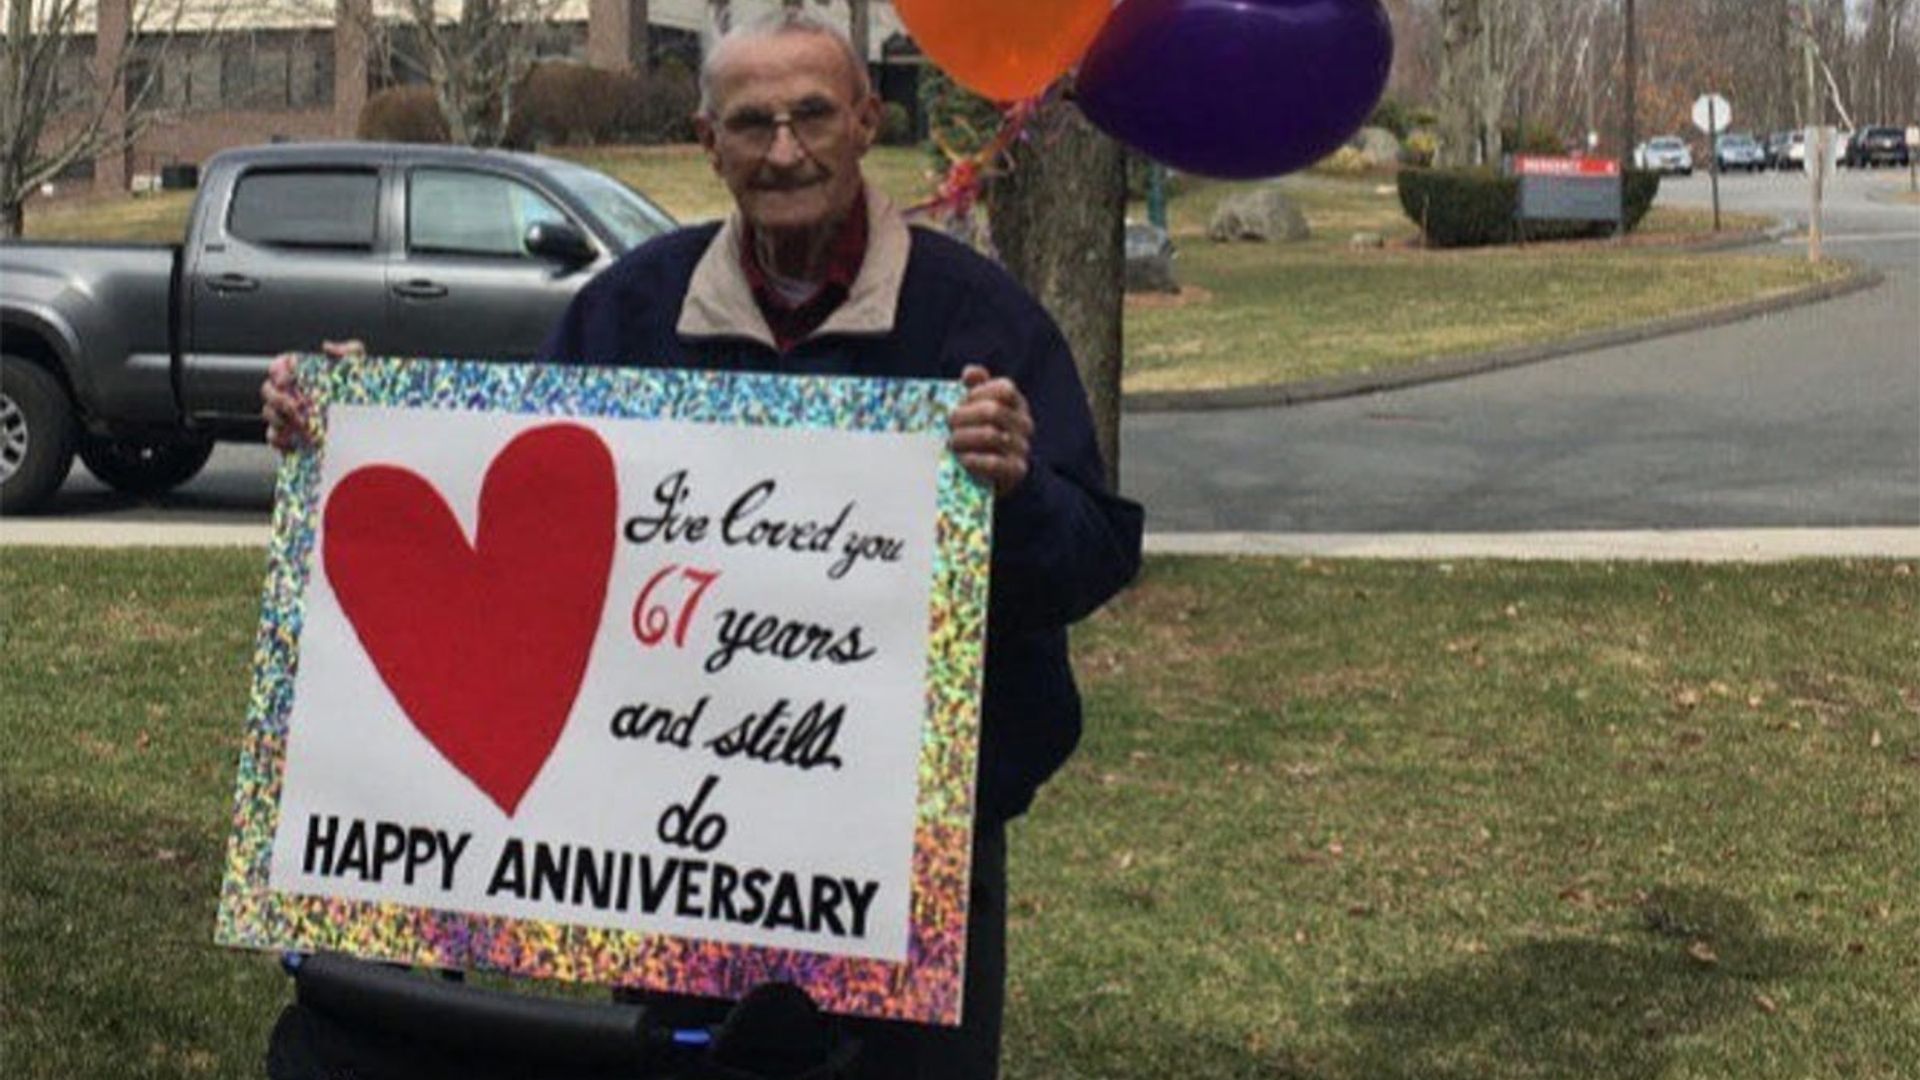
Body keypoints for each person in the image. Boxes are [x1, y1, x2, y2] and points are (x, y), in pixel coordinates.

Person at [262, 11, 1141, 1078]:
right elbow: (514, 516)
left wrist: (1016, 489)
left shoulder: (976, 320)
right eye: (752, 123)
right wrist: (355, 429)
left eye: (812, 115)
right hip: (671, 849)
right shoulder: (630, 311)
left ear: (868, 120)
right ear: (706, 143)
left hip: (907, 860)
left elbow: (1093, 559)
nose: (784, 150)